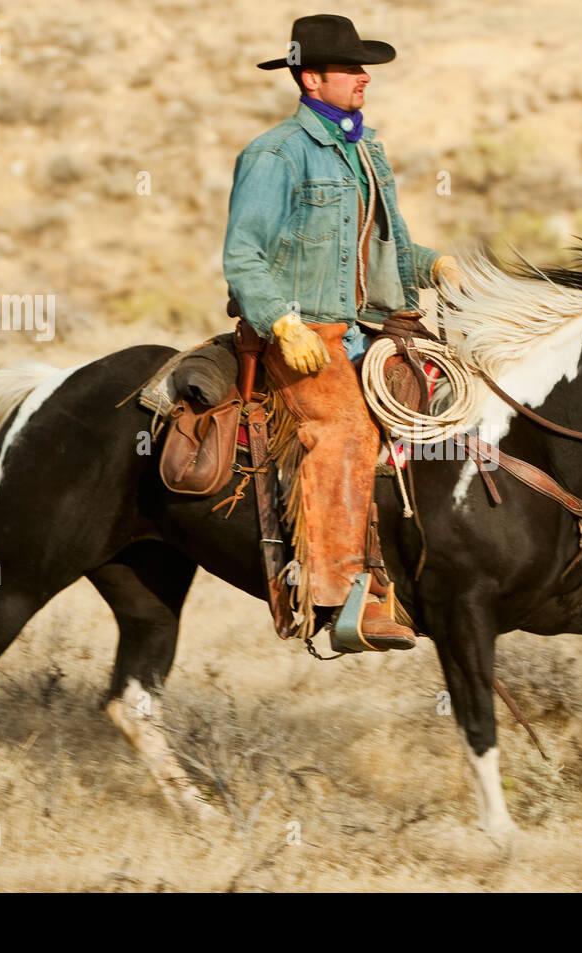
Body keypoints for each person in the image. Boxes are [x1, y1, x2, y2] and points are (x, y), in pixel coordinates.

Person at [223, 14, 461, 652]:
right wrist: (280, 320)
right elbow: (244, 255)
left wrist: (435, 265)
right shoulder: (276, 153)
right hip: (302, 332)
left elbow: (390, 247)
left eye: (365, 68)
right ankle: (339, 594)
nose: (363, 78)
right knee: (347, 427)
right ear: (311, 78)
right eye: (351, 68)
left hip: (366, 325)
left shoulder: (364, 152)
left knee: (447, 407)